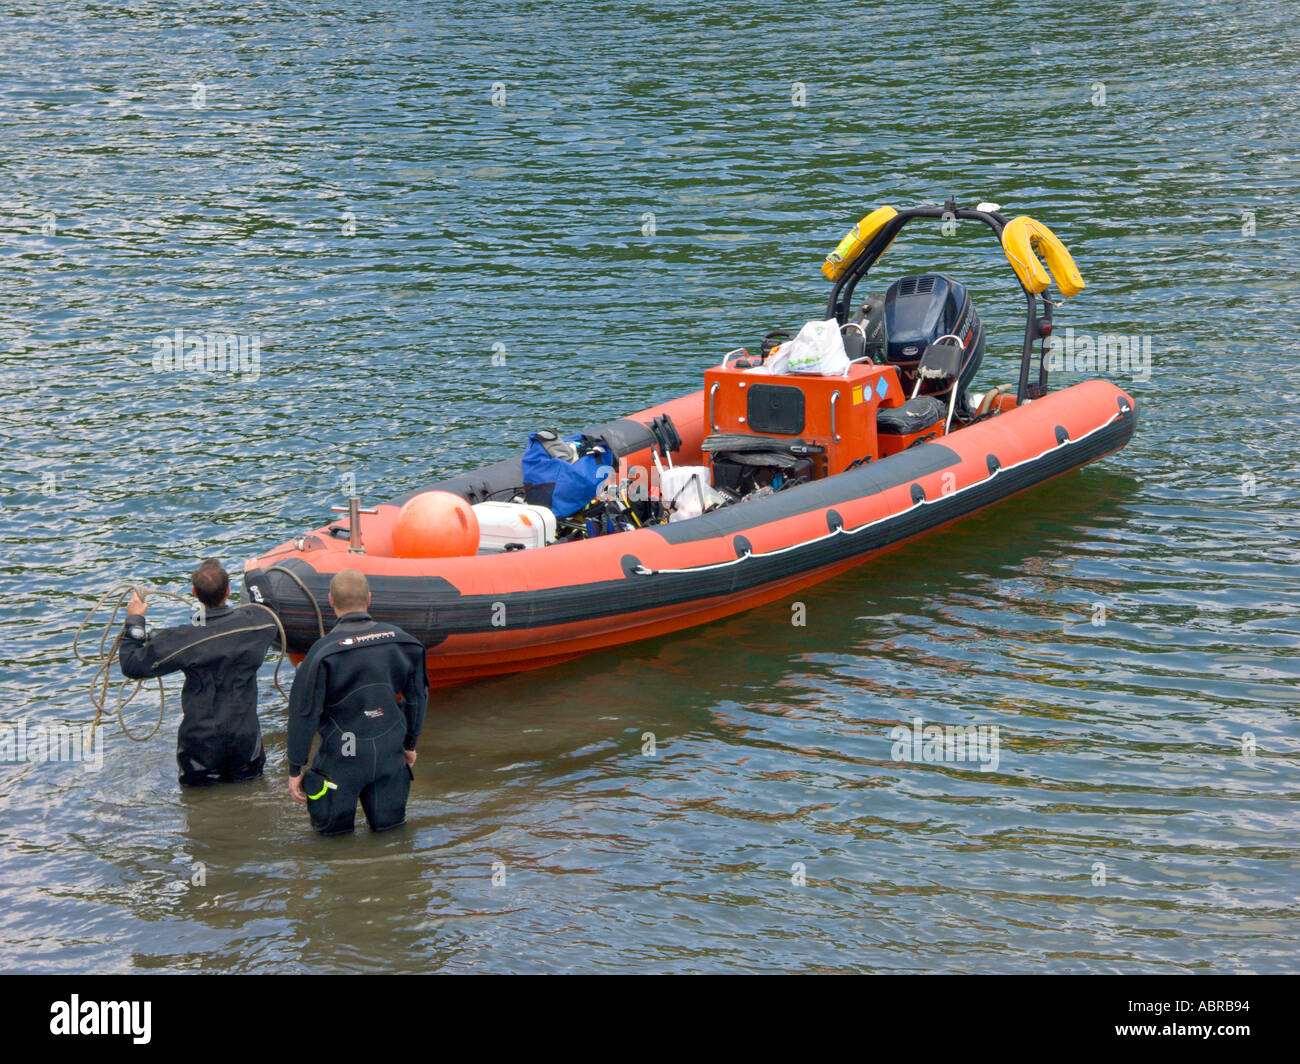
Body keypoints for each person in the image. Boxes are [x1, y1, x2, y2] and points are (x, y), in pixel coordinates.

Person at [286, 569, 427, 835]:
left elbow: (304, 714)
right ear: (369, 599)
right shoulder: (404, 642)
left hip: (341, 761)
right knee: (393, 836)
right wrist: (410, 744)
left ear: (330, 600)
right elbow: (417, 699)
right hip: (389, 756)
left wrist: (295, 767)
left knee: (331, 843)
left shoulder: (321, 652)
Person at [119, 558, 278, 786]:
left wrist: (135, 619)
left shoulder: (180, 639)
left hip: (201, 745)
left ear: (194, 592)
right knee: (251, 792)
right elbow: (267, 606)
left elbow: (132, 665)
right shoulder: (258, 625)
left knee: (198, 804)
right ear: (229, 590)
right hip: (245, 740)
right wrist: (253, 575)